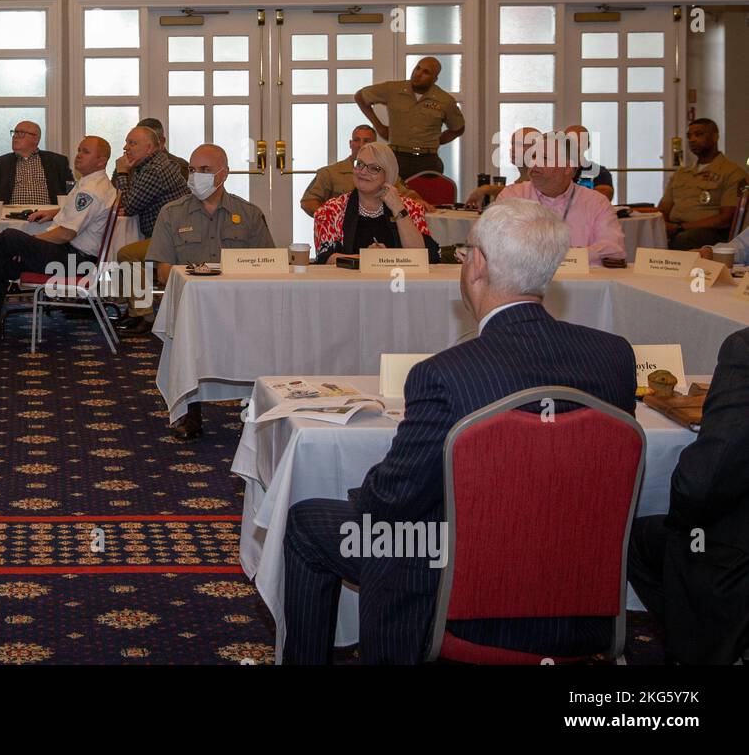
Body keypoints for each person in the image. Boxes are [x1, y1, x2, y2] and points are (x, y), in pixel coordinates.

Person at [282, 199, 637, 664]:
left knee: (310, 522)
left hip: (463, 585)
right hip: (575, 583)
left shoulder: (445, 373)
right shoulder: (613, 357)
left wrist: (360, 495)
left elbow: (394, 500)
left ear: (478, 265)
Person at [627, 327, 749, 664]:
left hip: (736, 560)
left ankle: (707, 647)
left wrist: (681, 524)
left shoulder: (744, 349)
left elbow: (700, 483)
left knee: (635, 540)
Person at [145, 144, 273, 439]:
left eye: (203, 170)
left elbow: (269, 264)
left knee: (264, 332)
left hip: (241, 305)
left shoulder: (249, 214)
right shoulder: (171, 214)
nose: (195, 176)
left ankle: (256, 405)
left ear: (223, 174)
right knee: (188, 334)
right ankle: (189, 410)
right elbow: (163, 271)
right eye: (191, 169)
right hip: (192, 304)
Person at [0, 137, 116, 347]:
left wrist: (30, 244)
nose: (79, 154)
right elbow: (77, 214)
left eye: (86, 152)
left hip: (75, 261)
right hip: (71, 255)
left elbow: (65, 234)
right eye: (79, 149)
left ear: (101, 161)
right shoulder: (93, 183)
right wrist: (54, 212)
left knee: (11, 237)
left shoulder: (91, 191)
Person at [495, 131, 626, 265]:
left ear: (568, 168)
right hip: (524, 283)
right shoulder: (511, 197)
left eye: (544, 158)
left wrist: (553, 257)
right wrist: (576, 256)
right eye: (533, 156)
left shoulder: (596, 202)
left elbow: (614, 248)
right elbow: (495, 245)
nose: (534, 163)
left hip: (582, 283)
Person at [111, 126, 190, 337]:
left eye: (132, 143)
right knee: (128, 248)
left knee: (127, 254)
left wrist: (121, 173)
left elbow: (129, 204)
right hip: (167, 234)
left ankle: (145, 316)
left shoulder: (154, 170)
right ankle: (133, 310)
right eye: (127, 142)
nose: (126, 148)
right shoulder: (149, 165)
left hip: (177, 239)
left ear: (149, 147)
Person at [310, 141, 438, 265]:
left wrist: (398, 209)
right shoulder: (331, 209)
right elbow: (325, 257)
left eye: (374, 168)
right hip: (348, 284)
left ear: (388, 175)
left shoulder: (411, 208)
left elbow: (423, 257)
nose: (363, 171)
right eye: (359, 164)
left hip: (400, 283)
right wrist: (370, 259)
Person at [355, 57, 465, 180]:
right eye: (418, 68)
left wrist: (437, 140)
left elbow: (458, 128)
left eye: (426, 72)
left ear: (435, 79)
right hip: (397, 156)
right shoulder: (393, 89)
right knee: (391, 196)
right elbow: (360, 97)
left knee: (425, 198)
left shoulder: (445, 100)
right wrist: (379, 127)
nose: (418, 74)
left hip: (427, 160)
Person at [658, 119, 748, 251]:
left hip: (711, 233)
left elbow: (726, 218)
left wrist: (680, 228)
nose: (692, 139)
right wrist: (662, 227)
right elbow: (664, 208)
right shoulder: (682, 173)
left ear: (715, 136)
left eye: (698, 134)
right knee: (649, 235)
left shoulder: (733, 173)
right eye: (689, 136)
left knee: (684, 238)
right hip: (676, 228)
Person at [300, 125, 428, 216]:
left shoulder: (383, 173)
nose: (361, 145)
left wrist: (418, 202)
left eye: (367, 141)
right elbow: (308, 202)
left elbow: (406, 195)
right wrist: (329, 216)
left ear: (374, 145)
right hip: (342, 233)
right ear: (350, 144)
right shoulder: (329, 173)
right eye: (356, 140)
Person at [0, 121, 74, 205]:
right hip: (10, 218)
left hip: (48, 218)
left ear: (35, 138)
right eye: (14, 133)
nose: (15, 136)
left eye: (21, 133)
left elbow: (72, 193)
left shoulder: (57, 161)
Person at [465, 127, 541, 208]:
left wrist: (486, 189)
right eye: (512, 144)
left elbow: (520, 193)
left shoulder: (542, 178)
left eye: (520, 145)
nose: (513, 149)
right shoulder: (522, 181)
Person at [564, 124, 614, 202]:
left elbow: (600, 202)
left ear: (587, 145)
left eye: (578, 141)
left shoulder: (600, 173)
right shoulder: (552, 170)